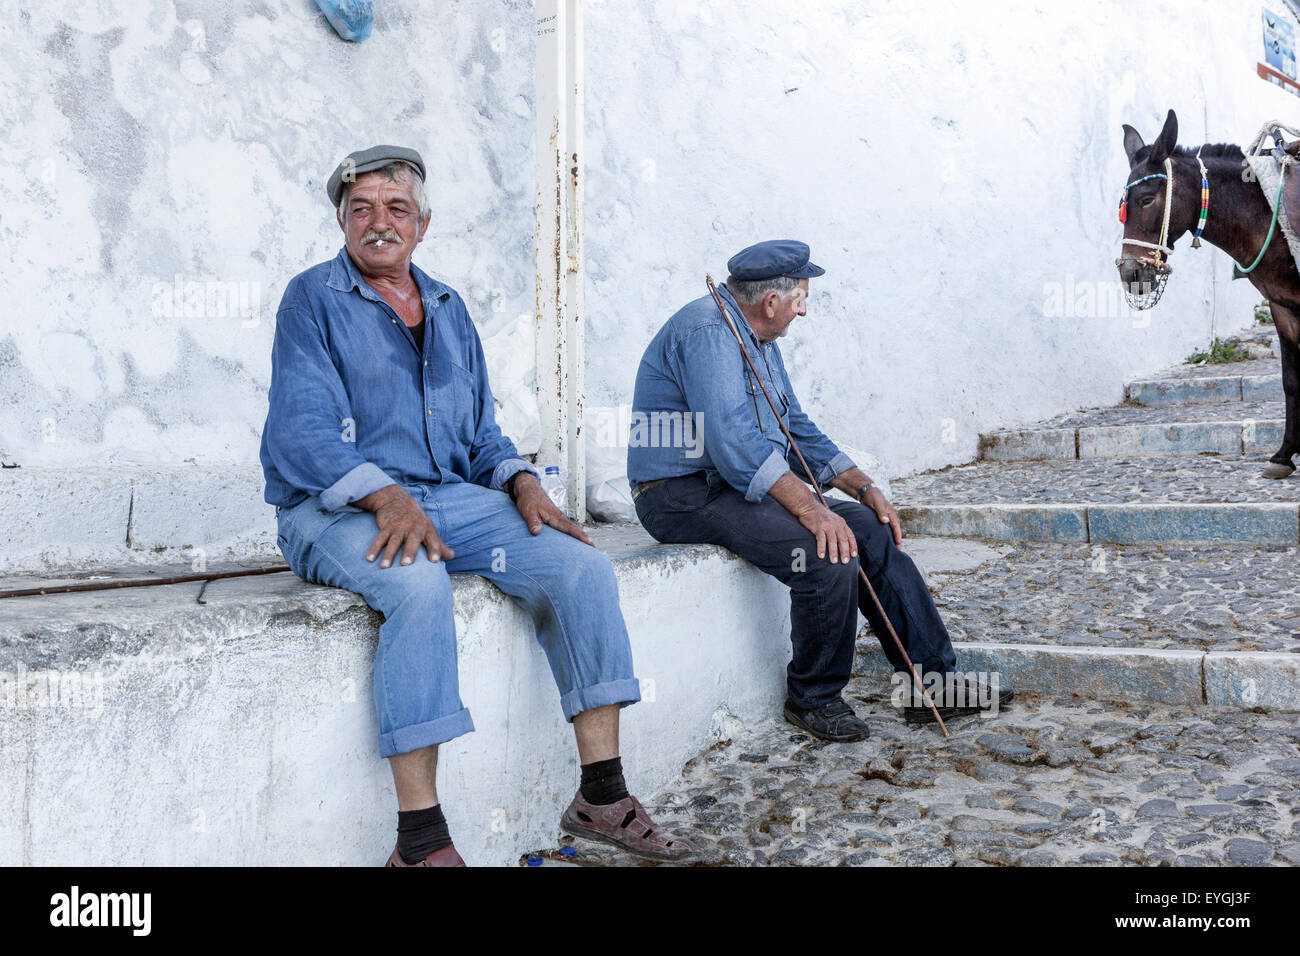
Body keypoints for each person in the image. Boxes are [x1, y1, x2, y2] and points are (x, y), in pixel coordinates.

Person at [261, 145, 697, 865]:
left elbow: (481, 431)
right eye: (361, 209)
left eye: (396, 208)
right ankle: (420, 842)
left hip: (441, 501)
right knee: (415, 585)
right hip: (330, 508)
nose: (379, 223)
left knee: (578, 567)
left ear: (422, 225)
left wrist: (520, 480)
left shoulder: (446, 306)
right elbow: (303, 432)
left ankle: (602, 794)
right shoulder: (312, 298)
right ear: (341, 222)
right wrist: (386, 495)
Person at [627, 239, 1012, 742]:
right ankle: (814, 697)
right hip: (679, 494)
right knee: (826, 551)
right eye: (802, 299)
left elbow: (794, 430)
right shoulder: (708, 331)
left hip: (733, 485)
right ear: (771, 303)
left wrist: (862, 486)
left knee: (871, 530)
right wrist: (813, 510)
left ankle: (931, 684)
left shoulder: (759, 340)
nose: (804, 310)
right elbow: (733, 441)